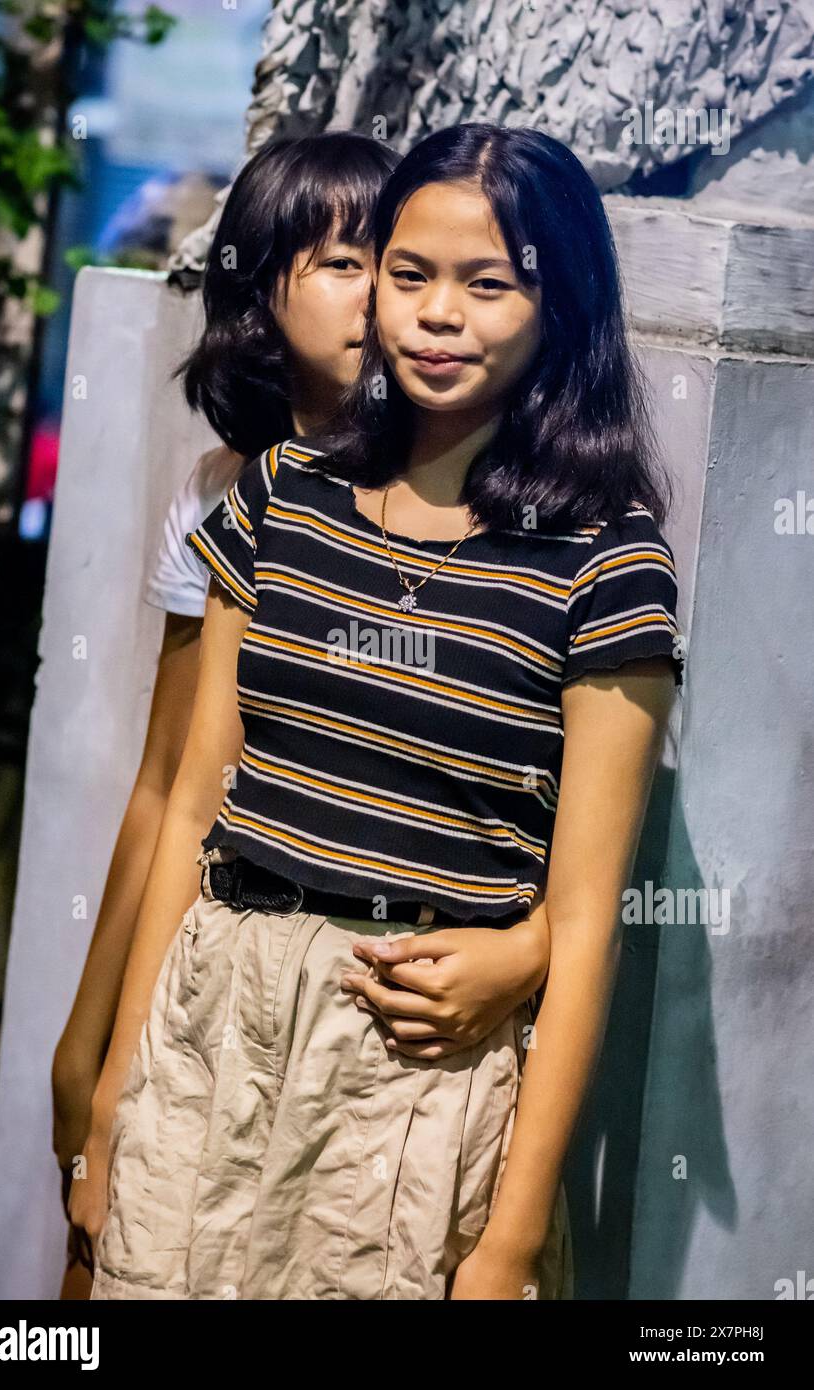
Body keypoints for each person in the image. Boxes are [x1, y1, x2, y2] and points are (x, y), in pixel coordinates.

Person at [81, 121, 685, 1301]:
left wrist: (506, 1244)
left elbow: (582, 916)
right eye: (409, 275)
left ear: (559, 305)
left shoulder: (605, 561)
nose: (436, 313)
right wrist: (112, 1096)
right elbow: (200, 801)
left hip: (413, 1078)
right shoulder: (281, 496)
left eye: (487, 283)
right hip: (211, 1032)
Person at [52, 130, 402, 1295]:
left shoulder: (440, 501)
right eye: (341, 262)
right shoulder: (221, 494)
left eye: (389, 262)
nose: (378, 297)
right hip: (204, 959)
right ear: (262, 289)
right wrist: (88, 1037)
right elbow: (168, 785)